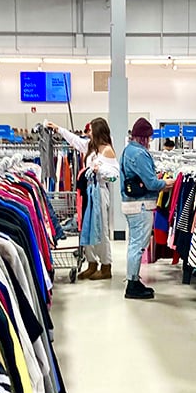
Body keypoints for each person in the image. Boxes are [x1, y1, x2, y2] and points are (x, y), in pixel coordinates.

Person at [47, 117, 119, 280]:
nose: (88, 133)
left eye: (90, 130)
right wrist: (58, 129)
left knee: (101, 230)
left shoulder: (107, 150)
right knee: (85, 228)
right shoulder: (90, 147)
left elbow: (114, 176)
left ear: (98, 131)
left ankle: (106, 266)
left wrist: (99, 170)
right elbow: (75, 140)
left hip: (99, 193)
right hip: (86, 193)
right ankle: (91, 263)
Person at [120, 118, 174, 300]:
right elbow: (151, 183)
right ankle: (132, 285)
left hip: (131, 204)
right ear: (143, 137)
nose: (150, 141)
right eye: (149, 138)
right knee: (138, 246)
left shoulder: (128, 150)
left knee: (134, 244)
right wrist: (167, 183)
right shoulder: (140, 154)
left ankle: (134, 280)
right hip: (140, 205)